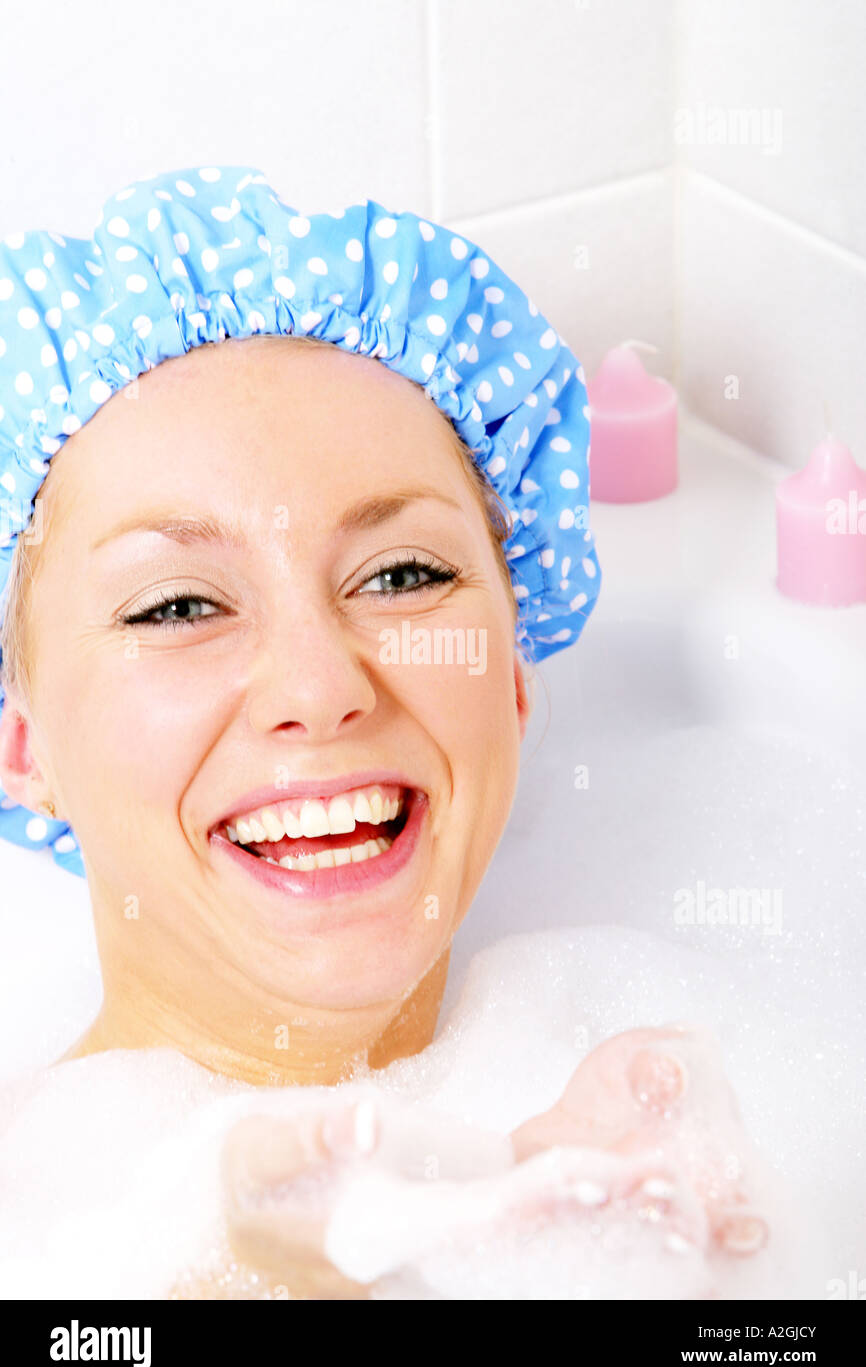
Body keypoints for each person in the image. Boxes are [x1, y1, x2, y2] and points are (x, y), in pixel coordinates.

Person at [0, 166, 766, 1298]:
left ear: (511, 672)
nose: (319, 687)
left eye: (402, 574)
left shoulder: (697, 1091)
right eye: (177, 605)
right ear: (24, 752)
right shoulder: (50, 1236)